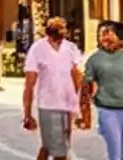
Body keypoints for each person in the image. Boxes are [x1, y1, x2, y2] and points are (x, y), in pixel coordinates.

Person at [78, 21, 123, 160]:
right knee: (114, 153)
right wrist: (85, 114)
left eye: (107, 33)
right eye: (101, 35)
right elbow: (86, 87)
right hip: (107, 111)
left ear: (118, 36)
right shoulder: (94, 59)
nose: (104, 38)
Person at [21, 17, 83, 160]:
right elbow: (29, 84)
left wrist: (79, 102)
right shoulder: (37, 49)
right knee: (59, 150)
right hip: (48, 105)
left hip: (67, 105)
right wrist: (27, 113)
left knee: (54, 146)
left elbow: (77, 76)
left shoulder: (70, 48)